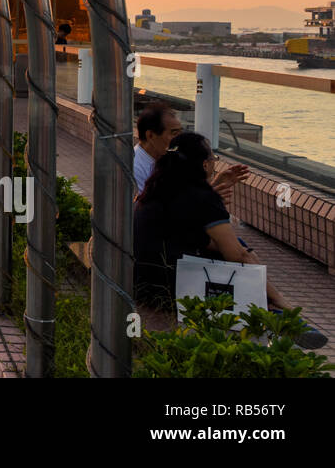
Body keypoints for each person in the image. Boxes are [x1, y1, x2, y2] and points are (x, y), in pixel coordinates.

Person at [134, 131, 328, 349]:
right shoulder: (201, 196)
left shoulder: (155, 190)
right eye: (213, 159)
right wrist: (277, 294)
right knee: (241, 255)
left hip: (142, 282)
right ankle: (278, 310)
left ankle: (275, 310)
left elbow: (192, 237)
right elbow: (237, 255)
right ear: (205, 165)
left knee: (237, 248)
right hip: (172, 287)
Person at [135, 103, 247, 207]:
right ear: (150, 135)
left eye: (180, 132)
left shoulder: (165, 161)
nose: (180, 138)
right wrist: (207, 199)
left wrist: (212, 188)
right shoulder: (134, 169)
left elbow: (175, 203)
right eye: (174, 133)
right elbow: (155, 214)